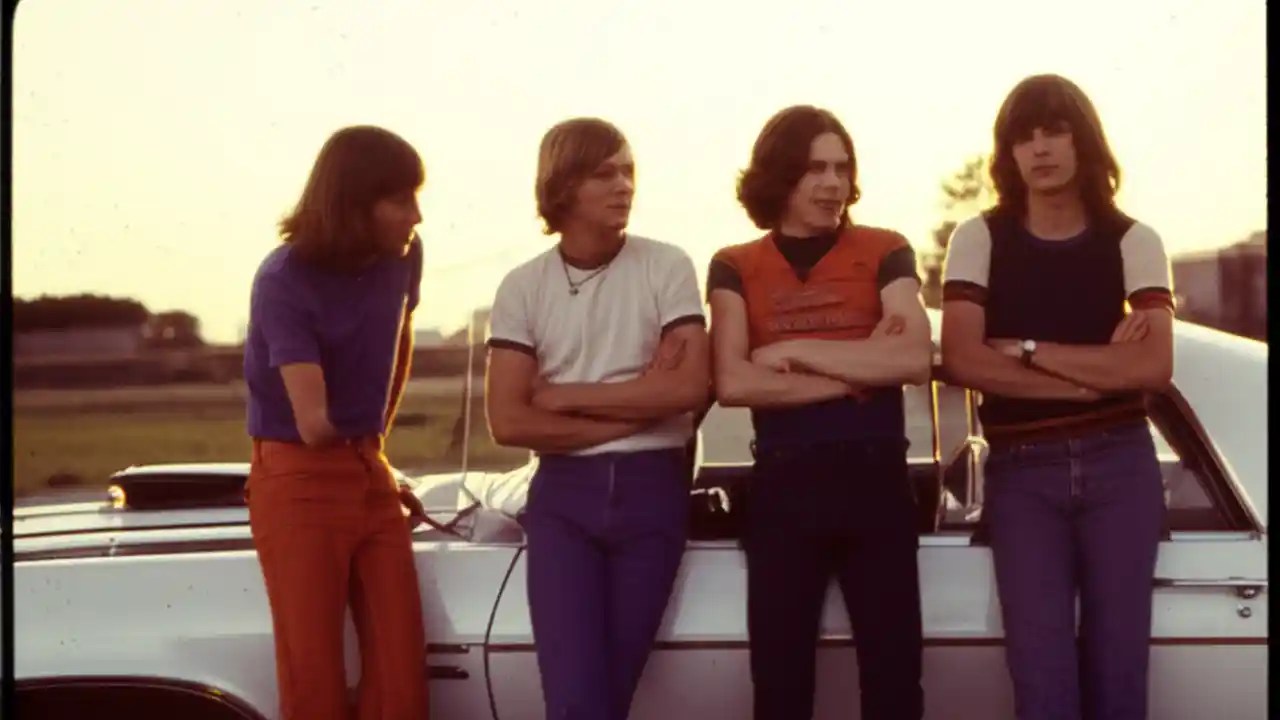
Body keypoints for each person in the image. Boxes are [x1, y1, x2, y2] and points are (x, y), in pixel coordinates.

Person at [941, 73, 1175, 720]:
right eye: (1024, 136)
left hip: (1121, 468)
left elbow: (1154, 366)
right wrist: (1099, 372)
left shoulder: (1134, 241)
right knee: (1042, 682)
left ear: (1085, 143)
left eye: (1056, 131)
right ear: (1008, 154)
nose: (1040, 148)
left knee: (1119, 677)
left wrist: (1024, 349)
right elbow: (961, 357)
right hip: (1022, 472)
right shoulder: (979, 238)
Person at [707, 105, 931, 720]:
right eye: (815, 169)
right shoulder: (735, 264)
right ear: (779, 177)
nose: (833, 183)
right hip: (785, 487)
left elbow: (913, 357)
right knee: (779, 690)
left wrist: (792, 352)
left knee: (893, 687)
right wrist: (860, 370)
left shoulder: (886, 249)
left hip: (877, 484)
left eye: (842, 167)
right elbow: (732, 380)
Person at [484, 117, 710, 720]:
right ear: (562, 186)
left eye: (629, 170)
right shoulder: (522, 287)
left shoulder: (666, 266)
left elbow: (690, 387)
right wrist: (638, 407)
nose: (624, 185)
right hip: (563, 502)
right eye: (605, 172)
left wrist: (561, 396)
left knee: (608, 698)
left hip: (653, 495)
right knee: (577, 702)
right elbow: (509, 423)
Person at [243, 125, 432, 720]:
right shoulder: (282, 280)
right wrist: (360, 443)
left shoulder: (403, 257)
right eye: (400, 200)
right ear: (355, 204)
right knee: (315, 681)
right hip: (299, 478)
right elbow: (315, 422)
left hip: (363, 464)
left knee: (401, 679)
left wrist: (377, 450)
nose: (416, 215)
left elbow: (397, 344)